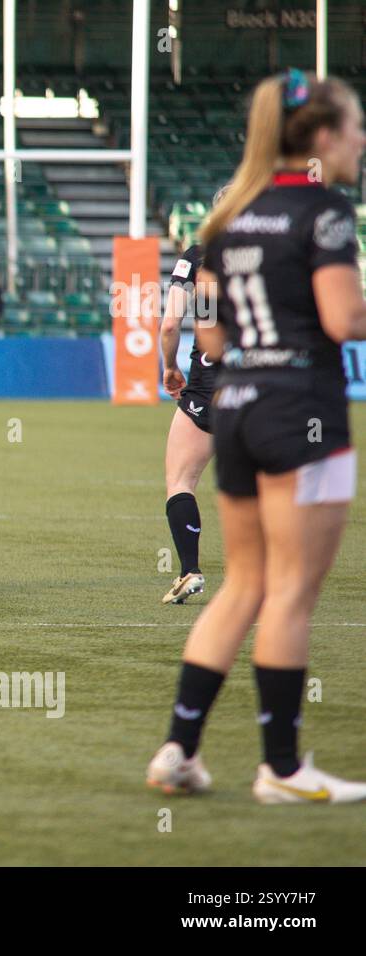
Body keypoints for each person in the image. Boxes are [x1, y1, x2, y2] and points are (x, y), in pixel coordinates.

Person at [146, 69, 366, 804]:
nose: (362, 141)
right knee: (293, 595)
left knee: (242, 584)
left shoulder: (226, 219)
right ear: (324, 138)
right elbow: (343, 320)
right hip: (303, 406)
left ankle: (178, 748)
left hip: (235, 400)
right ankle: (280, 766)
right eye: (357, 128)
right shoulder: (327, 212)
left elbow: (207, 332)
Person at [158, 190, 228, 605]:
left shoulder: (198, 256)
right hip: (266, 381)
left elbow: (170, 324)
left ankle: (190, 571)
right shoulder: (277, 258)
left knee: (180, 481)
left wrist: (169, 367)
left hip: (210, 382)